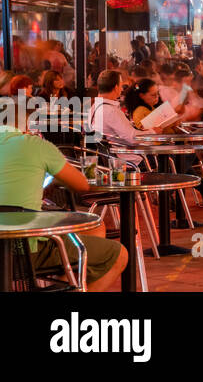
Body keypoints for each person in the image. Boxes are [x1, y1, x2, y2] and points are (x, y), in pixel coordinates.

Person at [0, 108, 128, 291]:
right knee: (118, 254)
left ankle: (67, 283)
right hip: (24, 251)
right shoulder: (35, 145)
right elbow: (81, 184)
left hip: (14, 239)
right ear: (27, 127)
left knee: (94, 229)